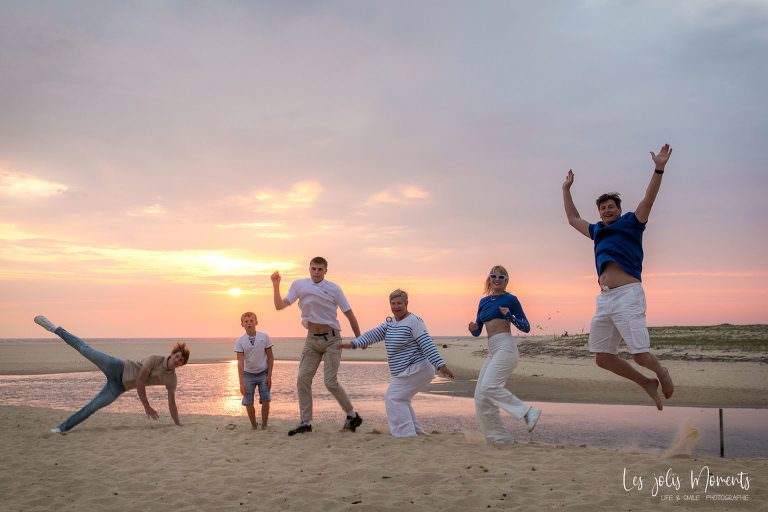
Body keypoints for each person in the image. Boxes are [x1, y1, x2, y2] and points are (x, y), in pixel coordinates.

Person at [562, 143, 675, 410]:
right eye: (602, 208)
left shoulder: (632, 223)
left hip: (628, 295)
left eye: (610, 206)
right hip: (605, 299)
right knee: (602, 358)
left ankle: (661, 372)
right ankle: (645, 383)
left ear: (618, 209)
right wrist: (566, 189)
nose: (606, 211)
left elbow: (648, 199)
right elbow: (572, 218)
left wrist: (658, 169)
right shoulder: (597, 231)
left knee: (640, 355)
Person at [32, 315, 189, 432]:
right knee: (85, 350)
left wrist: (177, 423)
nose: (177, 360)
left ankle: (61, 428)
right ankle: (55, 329)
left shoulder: (171, 379)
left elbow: (172, 403)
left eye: (181, 360)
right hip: (117, 367)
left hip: (119, 387)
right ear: (173, 354)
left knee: (93, 406)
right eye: (177, 356)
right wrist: (147, 407)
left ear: (182, 364)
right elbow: (141, 382)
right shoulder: (154, 359)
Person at [339, 289, 454, 437]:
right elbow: (374, 334)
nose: (396, 307)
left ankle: (405, 434)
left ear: (406, 303)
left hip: (418, 368)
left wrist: (440, 365)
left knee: (393, 397)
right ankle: (417, 433)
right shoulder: (391, 323)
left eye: (399, 303)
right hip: (406, 371)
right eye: (393, 304)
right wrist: (354, 343)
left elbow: (427, 343)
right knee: (401, 398)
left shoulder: (414, 321)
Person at [271, 256, 363, 435]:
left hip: (332, 340)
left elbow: (349, 314)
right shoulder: (299, 285)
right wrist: (275, 284)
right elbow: (279, 306)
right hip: (311, 340)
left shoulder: (334, 289)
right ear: (309, 269)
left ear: (325, 271)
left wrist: (360, 339)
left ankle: (352, 415)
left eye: (320, 269)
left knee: (330, 382)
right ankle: (305, 422)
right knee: (302, 379)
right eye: (313, 269)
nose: (316, 272)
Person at [468, 266, 540, 444]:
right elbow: (478, 331)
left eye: (501, 277)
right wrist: (473, 329)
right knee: (480, 397)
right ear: (489, 279)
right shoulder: (483, 302)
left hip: (505, 347)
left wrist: (510, 317)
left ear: (506, 280)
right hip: (492, 349)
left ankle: (527, 412)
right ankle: (498, 438)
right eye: (493, 276)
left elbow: (526, 327)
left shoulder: (511, 299)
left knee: (490, 386)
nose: (497, 279)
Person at [235, 312, 274, 430]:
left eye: (251, 321)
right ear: (242, 324)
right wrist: (241, 383)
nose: (249, 323)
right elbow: (240, 362)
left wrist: (269, 376)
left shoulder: (264, 337)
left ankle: (265, 425)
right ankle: (253, 425)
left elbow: (270, 357)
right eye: (246, 322)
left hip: (263, 373)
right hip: (248, 374)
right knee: (247, 401)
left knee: (266, 398)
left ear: (256, 322)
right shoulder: (240, 341)